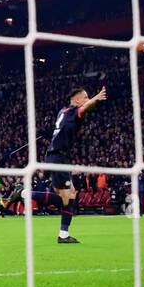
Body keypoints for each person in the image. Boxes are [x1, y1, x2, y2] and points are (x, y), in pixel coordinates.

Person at [36, 86, 107, 244]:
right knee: (69, 196)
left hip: (56, 157)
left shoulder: (63, 111)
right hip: (59, 157)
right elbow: (85, 109)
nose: (87, 100)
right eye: (85, 97)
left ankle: (63, 234)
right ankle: (27, 194)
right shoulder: (74, 111)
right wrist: (96, 98)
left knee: (66, 196)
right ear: (76, 100)